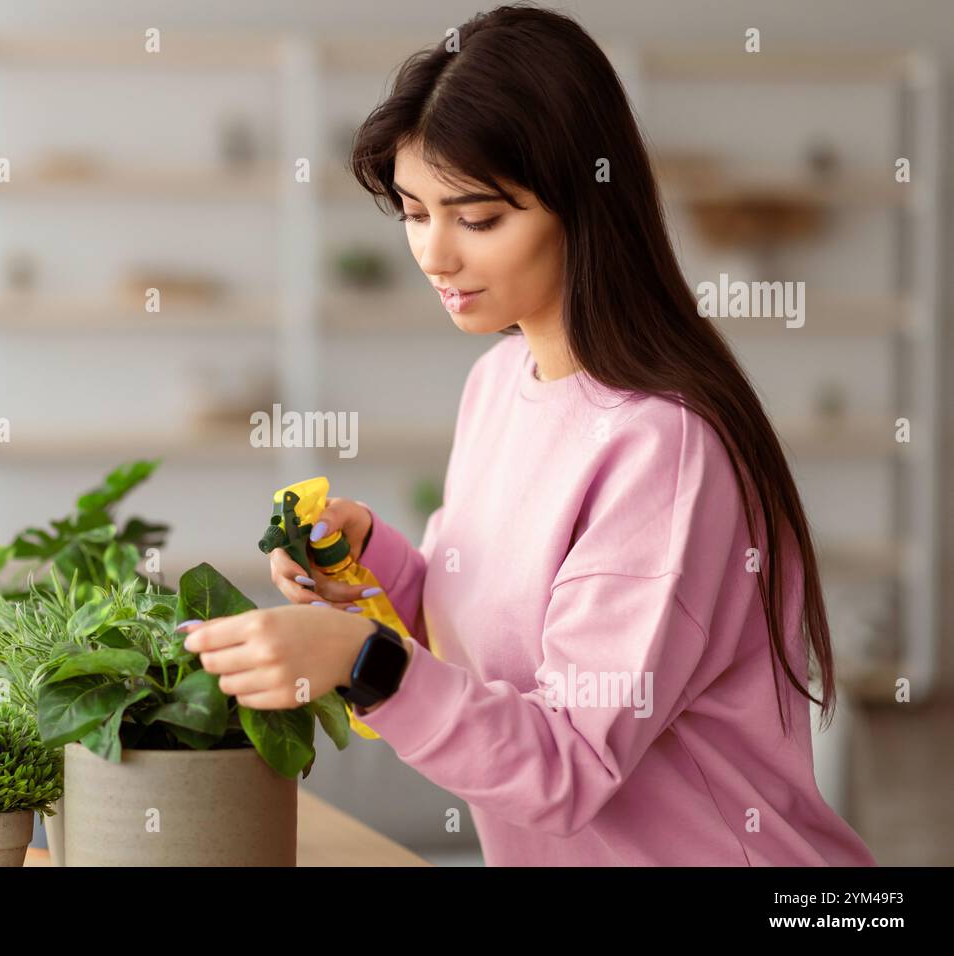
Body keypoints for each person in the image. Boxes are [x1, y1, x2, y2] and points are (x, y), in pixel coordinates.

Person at [178, 3, 876, 866]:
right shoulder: (500, 383)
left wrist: (362, 661)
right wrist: (370, 564)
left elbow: (570, 767)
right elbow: (481, 653)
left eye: (475, 219)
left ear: (585, 204)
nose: (434, 255)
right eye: (412, 211)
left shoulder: (663, 448)